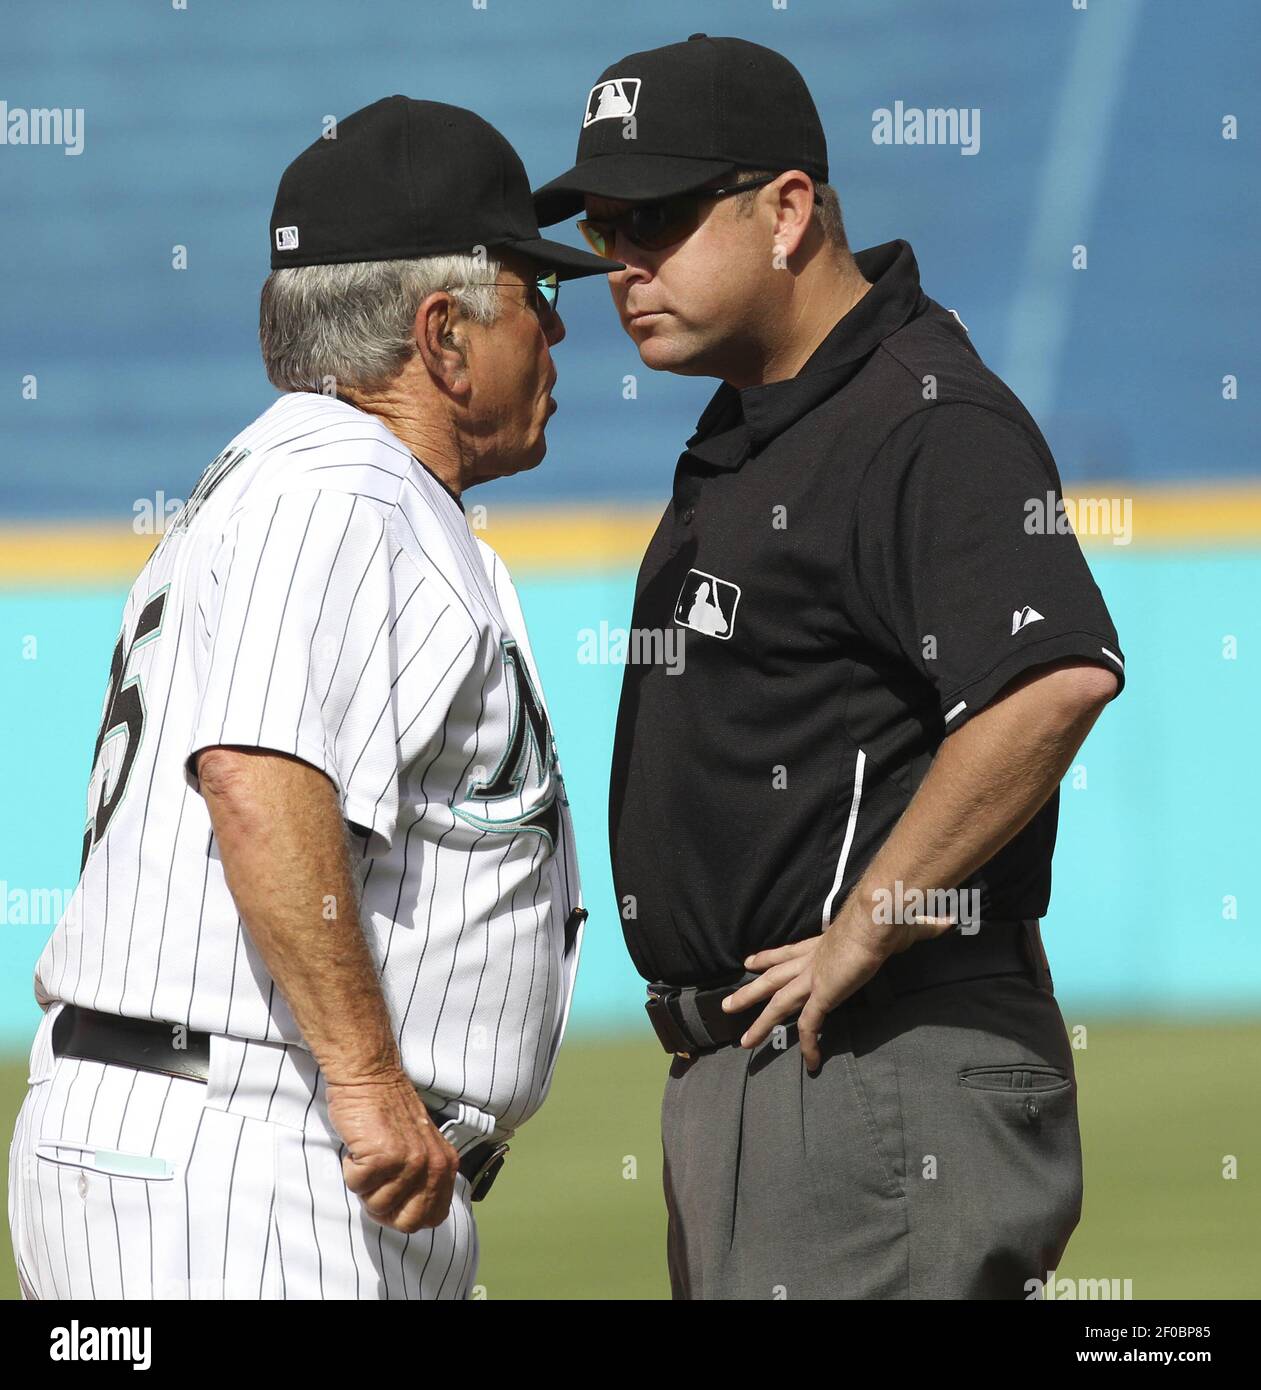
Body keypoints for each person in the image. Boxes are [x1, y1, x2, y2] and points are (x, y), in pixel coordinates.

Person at [535, 35, 1126, 1299]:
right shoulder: (767, 418)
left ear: (788, 208)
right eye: (600, 230)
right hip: (777, 1079)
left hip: (873, 1065)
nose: (620, 262)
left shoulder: (921, 416)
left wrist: (867, 928)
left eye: (657, 216)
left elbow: (1051, 679)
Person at [7, 95, 616, 1301]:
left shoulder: (308, 480)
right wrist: (366, 1076)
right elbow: (258, 773)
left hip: (251, 1145)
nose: (558, 328)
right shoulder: (343, 490)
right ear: (441, 334)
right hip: (246, 1148)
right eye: (534, 294)